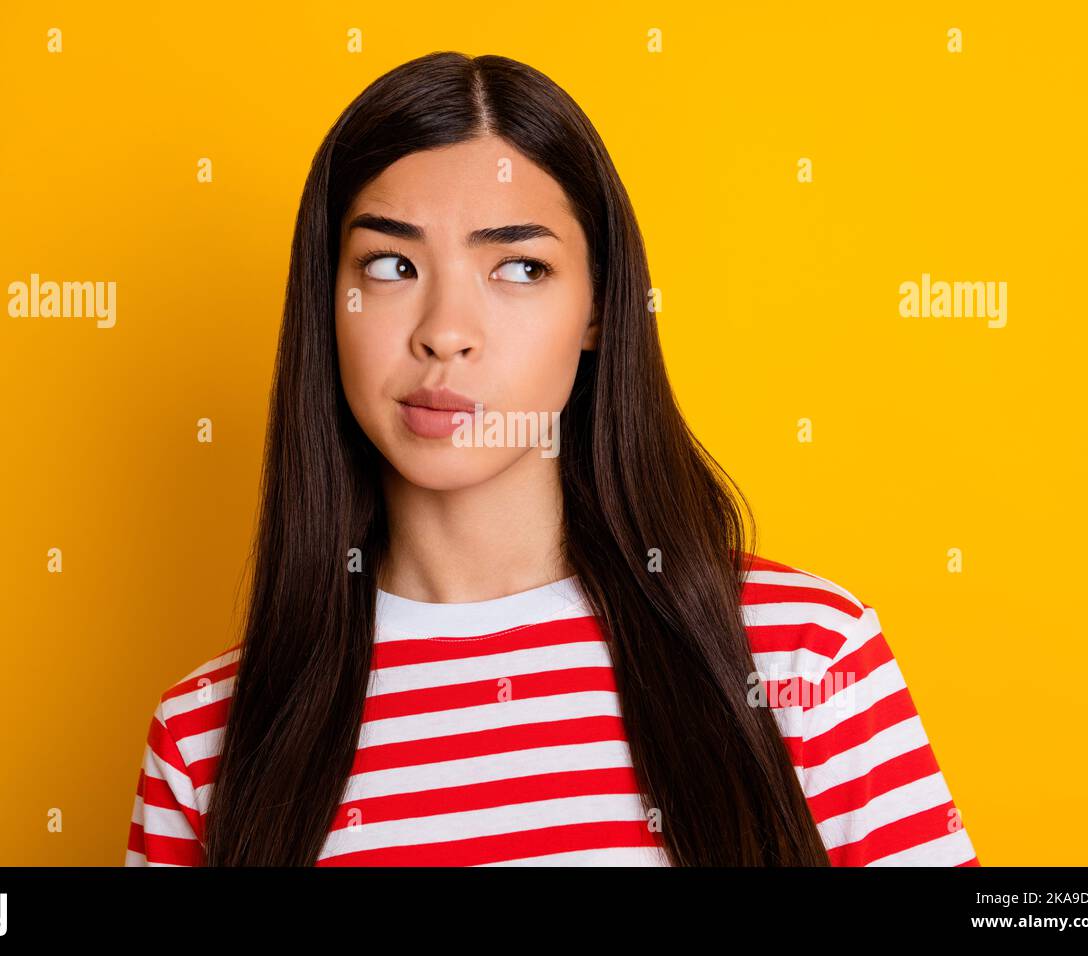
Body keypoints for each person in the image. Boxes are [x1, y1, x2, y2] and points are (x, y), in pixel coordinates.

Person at [125, 51, 978, 867]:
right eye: (390, 264)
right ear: (330, 302)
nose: (445, 332)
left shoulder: (800, 657)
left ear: (600, 310)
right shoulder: (207, 741)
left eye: (520, 268)